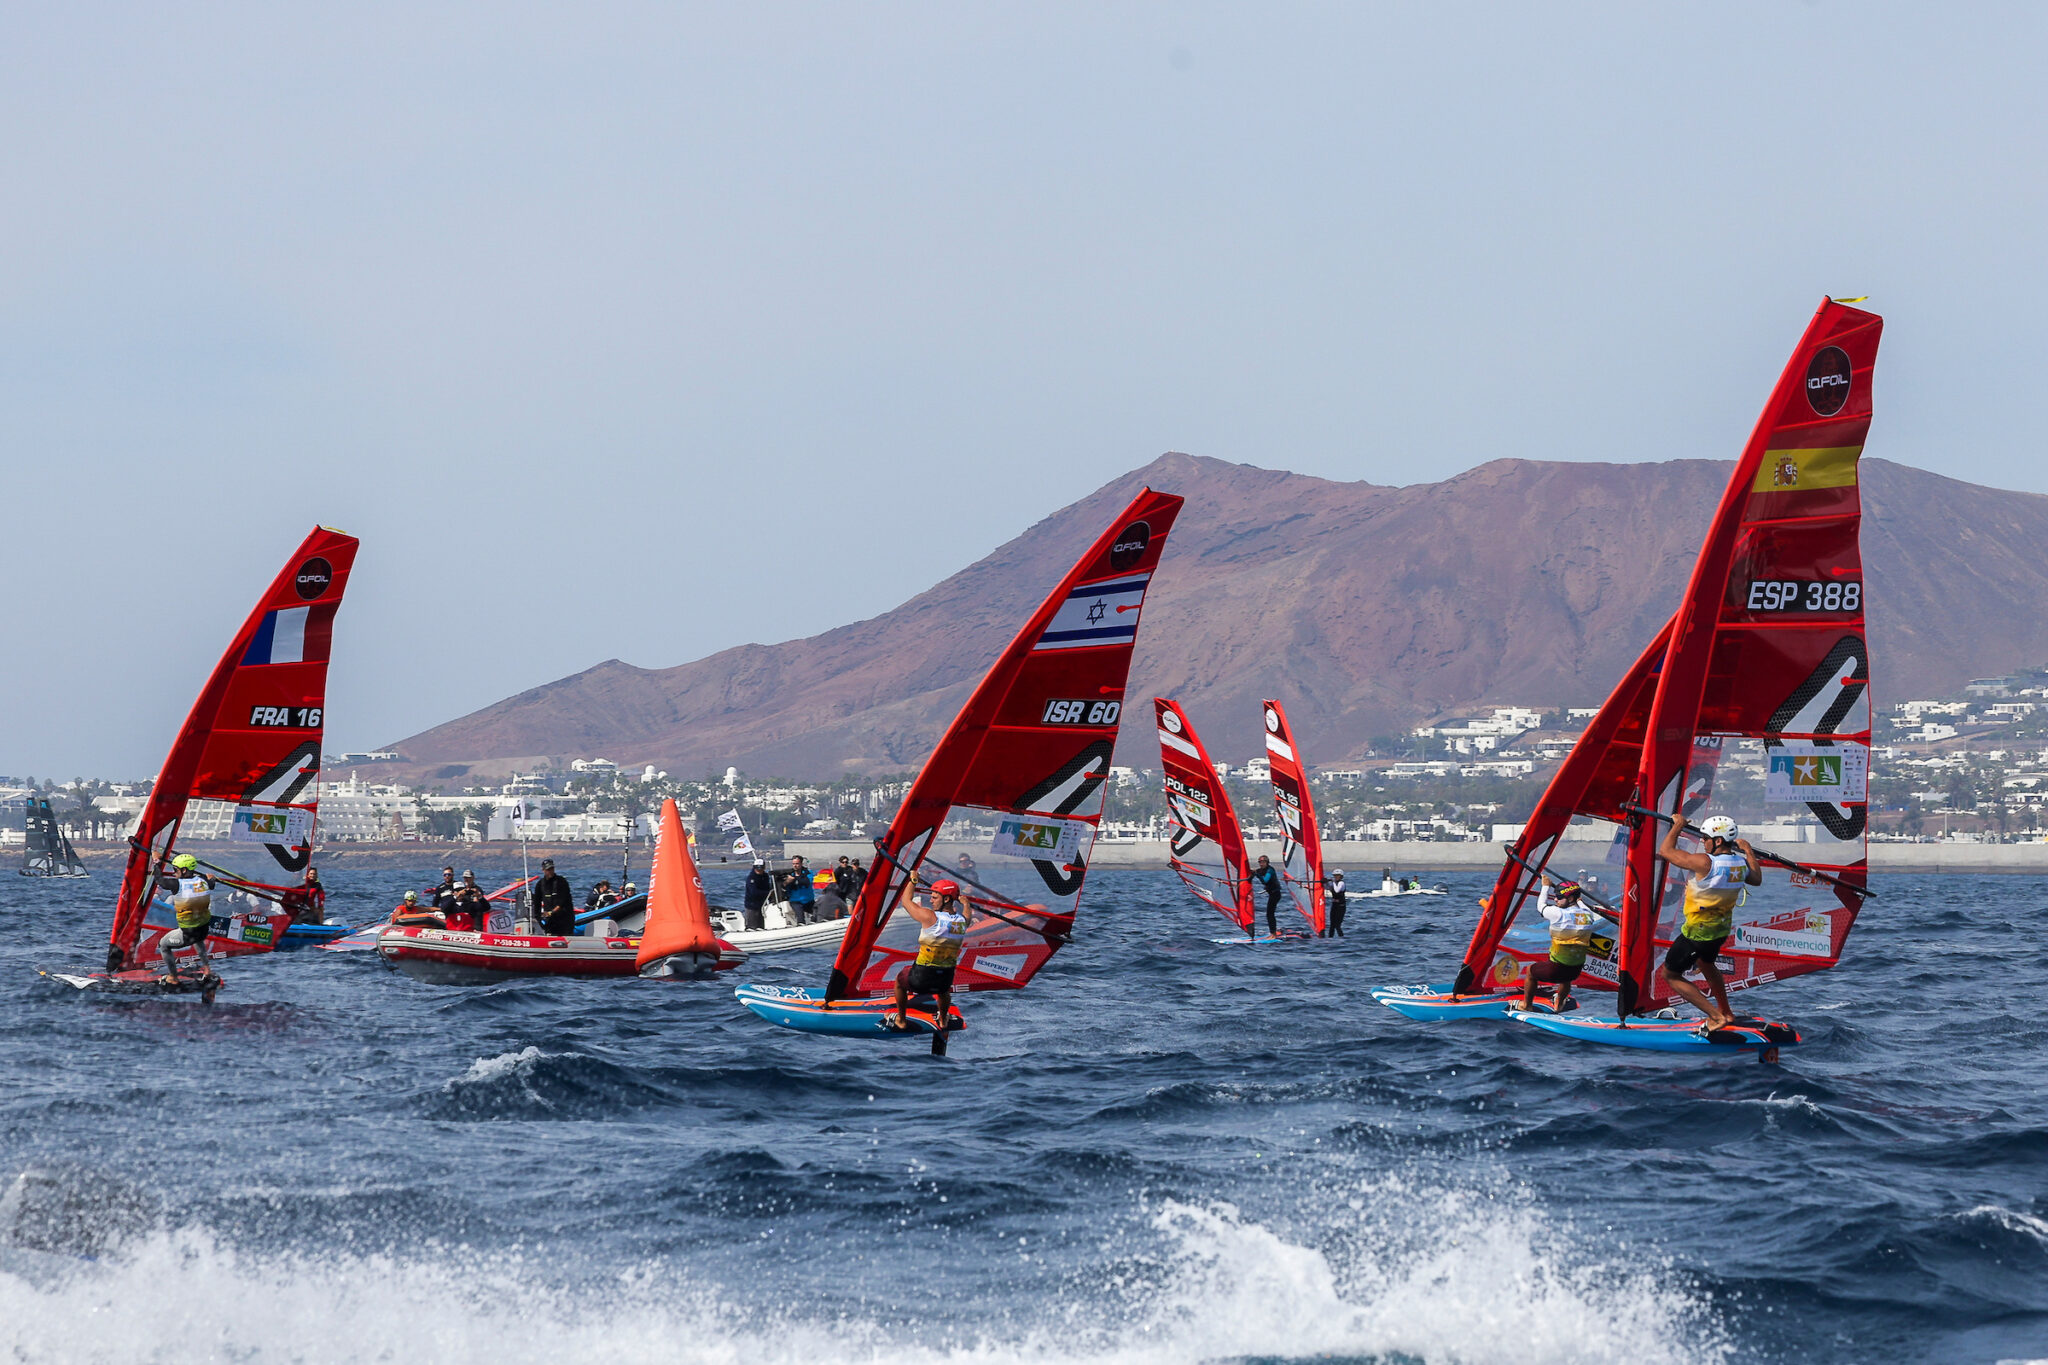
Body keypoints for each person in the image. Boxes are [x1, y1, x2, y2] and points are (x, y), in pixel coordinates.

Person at [1657, 814, 1761, 1029]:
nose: (1703, 842)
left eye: (1705, 838)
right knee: (1706, 964)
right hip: (1720, 931)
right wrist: (1748, 850)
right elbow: (1756, 879)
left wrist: (1678, 826)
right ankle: (1727, 1012)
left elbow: (1666, 852)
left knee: (1670, 974)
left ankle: (1716, 1017)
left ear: (1718, 841)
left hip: (1697, 933)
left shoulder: (1705, 862)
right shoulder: (1740, 863)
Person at [889, 873, 969, 1031]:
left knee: (900, 980)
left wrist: (913, 880)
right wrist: (966, 904)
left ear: (946, 899)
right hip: (944, 981)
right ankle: (943, 1019)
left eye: (934, 897)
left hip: (921, 980)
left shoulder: (930, 917)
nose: (931, 900)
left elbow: (906, 901)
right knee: (944, 991)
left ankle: (901, 1020)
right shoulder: (961, 922)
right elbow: (968, 915)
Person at [1520, 879, 1598, 1014]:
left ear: (1571, 898)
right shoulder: (1588, 914)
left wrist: (1545, 887)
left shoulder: (1558, 913)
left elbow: (1541, 906)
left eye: (1559, 897)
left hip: (1555, 969)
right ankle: (1559, 1004)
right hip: (1576, 970)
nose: (1555, 899)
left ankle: (1527, 1005)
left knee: (1530, 971)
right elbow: (1582, 904)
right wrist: (1578, 900)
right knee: (1566, 978)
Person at [156, 853, 216, 982]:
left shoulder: (176, 884)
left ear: (184, 870)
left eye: (175, 870)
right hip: (203, 930)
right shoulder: (203, 881)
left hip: (187, 934)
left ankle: (173, 977)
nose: (173, 873)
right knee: (198, 940)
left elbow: (159, 880)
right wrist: (212, 878)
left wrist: (157, 862)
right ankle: (207, 969)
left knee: (163, 945)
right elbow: (211, 884)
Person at [532, 858, 575, 935]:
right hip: (550, 920)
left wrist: (551, 912)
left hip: (564, 918)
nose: (550, 871)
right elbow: (537, 902)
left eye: (552, 869)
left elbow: (562, 902)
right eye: (548, 869)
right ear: (543, 870)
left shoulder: (561, 882)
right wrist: (537, 917)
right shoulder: (540, 884)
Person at [1251, 855, 1283, 937]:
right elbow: (1252, 875)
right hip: (1271, 894)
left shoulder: (1270, 870)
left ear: (1267, 862)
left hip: (1275, 894)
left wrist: (1257, 875)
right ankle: (1273, 932)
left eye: (1263, 862)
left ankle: (1273, 934)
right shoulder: (1260, 870)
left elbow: (1265, 881)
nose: (1261, 864)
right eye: (1260, 862)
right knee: (1269, 913)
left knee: (1270, 914)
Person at [782, 856, 816, 925]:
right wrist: (786, 882)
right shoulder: (790, 874)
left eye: (797, 863)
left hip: (808, 900)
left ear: (801, 864)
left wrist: (794, 879)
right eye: (793, 864)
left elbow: (807, 882)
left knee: (818, 914)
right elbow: (783, 886)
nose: (795, 865)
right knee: (800, 918)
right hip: (796, 901)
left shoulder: (808, 873)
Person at [742, 859, 772, 931]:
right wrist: (768, 893)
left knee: (760, 925)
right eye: (757, 868)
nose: (759, 870)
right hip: (752, 905)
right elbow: (754, 892)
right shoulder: (751, 878)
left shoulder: (765, 876)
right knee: (751, 926)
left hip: (761, 905)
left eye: (761, 868)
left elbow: (768, 887)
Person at [1324, 870, 1348, 938]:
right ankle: (1330, 938)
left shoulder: (1341, 883)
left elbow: (1337, 890)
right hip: (1334, 905)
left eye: (1338, 876)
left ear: (1341, 877)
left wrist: (1333, 882)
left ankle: (1342, 938)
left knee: (1337, 925)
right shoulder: (1334, 884)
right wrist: (1325, 883)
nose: (1336, 877)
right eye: (1335, 876)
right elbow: (1328, 888)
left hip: (1341, 906)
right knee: (1332, 925)